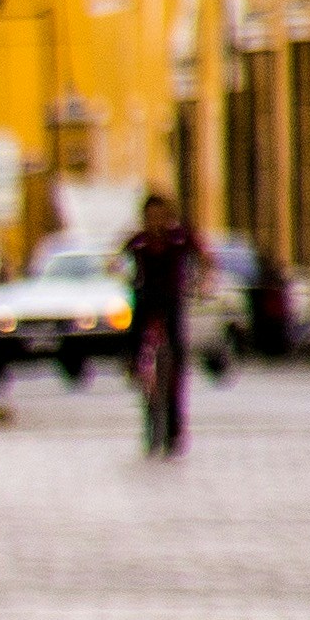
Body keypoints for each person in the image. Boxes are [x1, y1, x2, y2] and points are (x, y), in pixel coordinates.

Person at [122, 189, 201, 460]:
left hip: (171, 303)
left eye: (159, 215)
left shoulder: (179, 238)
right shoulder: (139, 241)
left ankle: (174, 429)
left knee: (176, 361)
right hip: (145, 302)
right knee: (135, 338)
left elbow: (204, 258)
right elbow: (117, 261)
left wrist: (199, 282)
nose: (155, 220)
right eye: (150, 215)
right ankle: (133, 364)